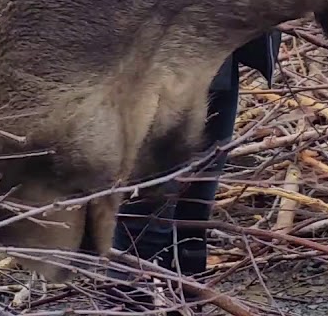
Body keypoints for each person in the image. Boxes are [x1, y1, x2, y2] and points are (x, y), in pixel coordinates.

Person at [107, 30, 282, 310]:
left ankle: (186, 304)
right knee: (144, 219)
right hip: (157, 52)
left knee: (194, 216)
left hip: (218, 48)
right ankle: (123, 305)